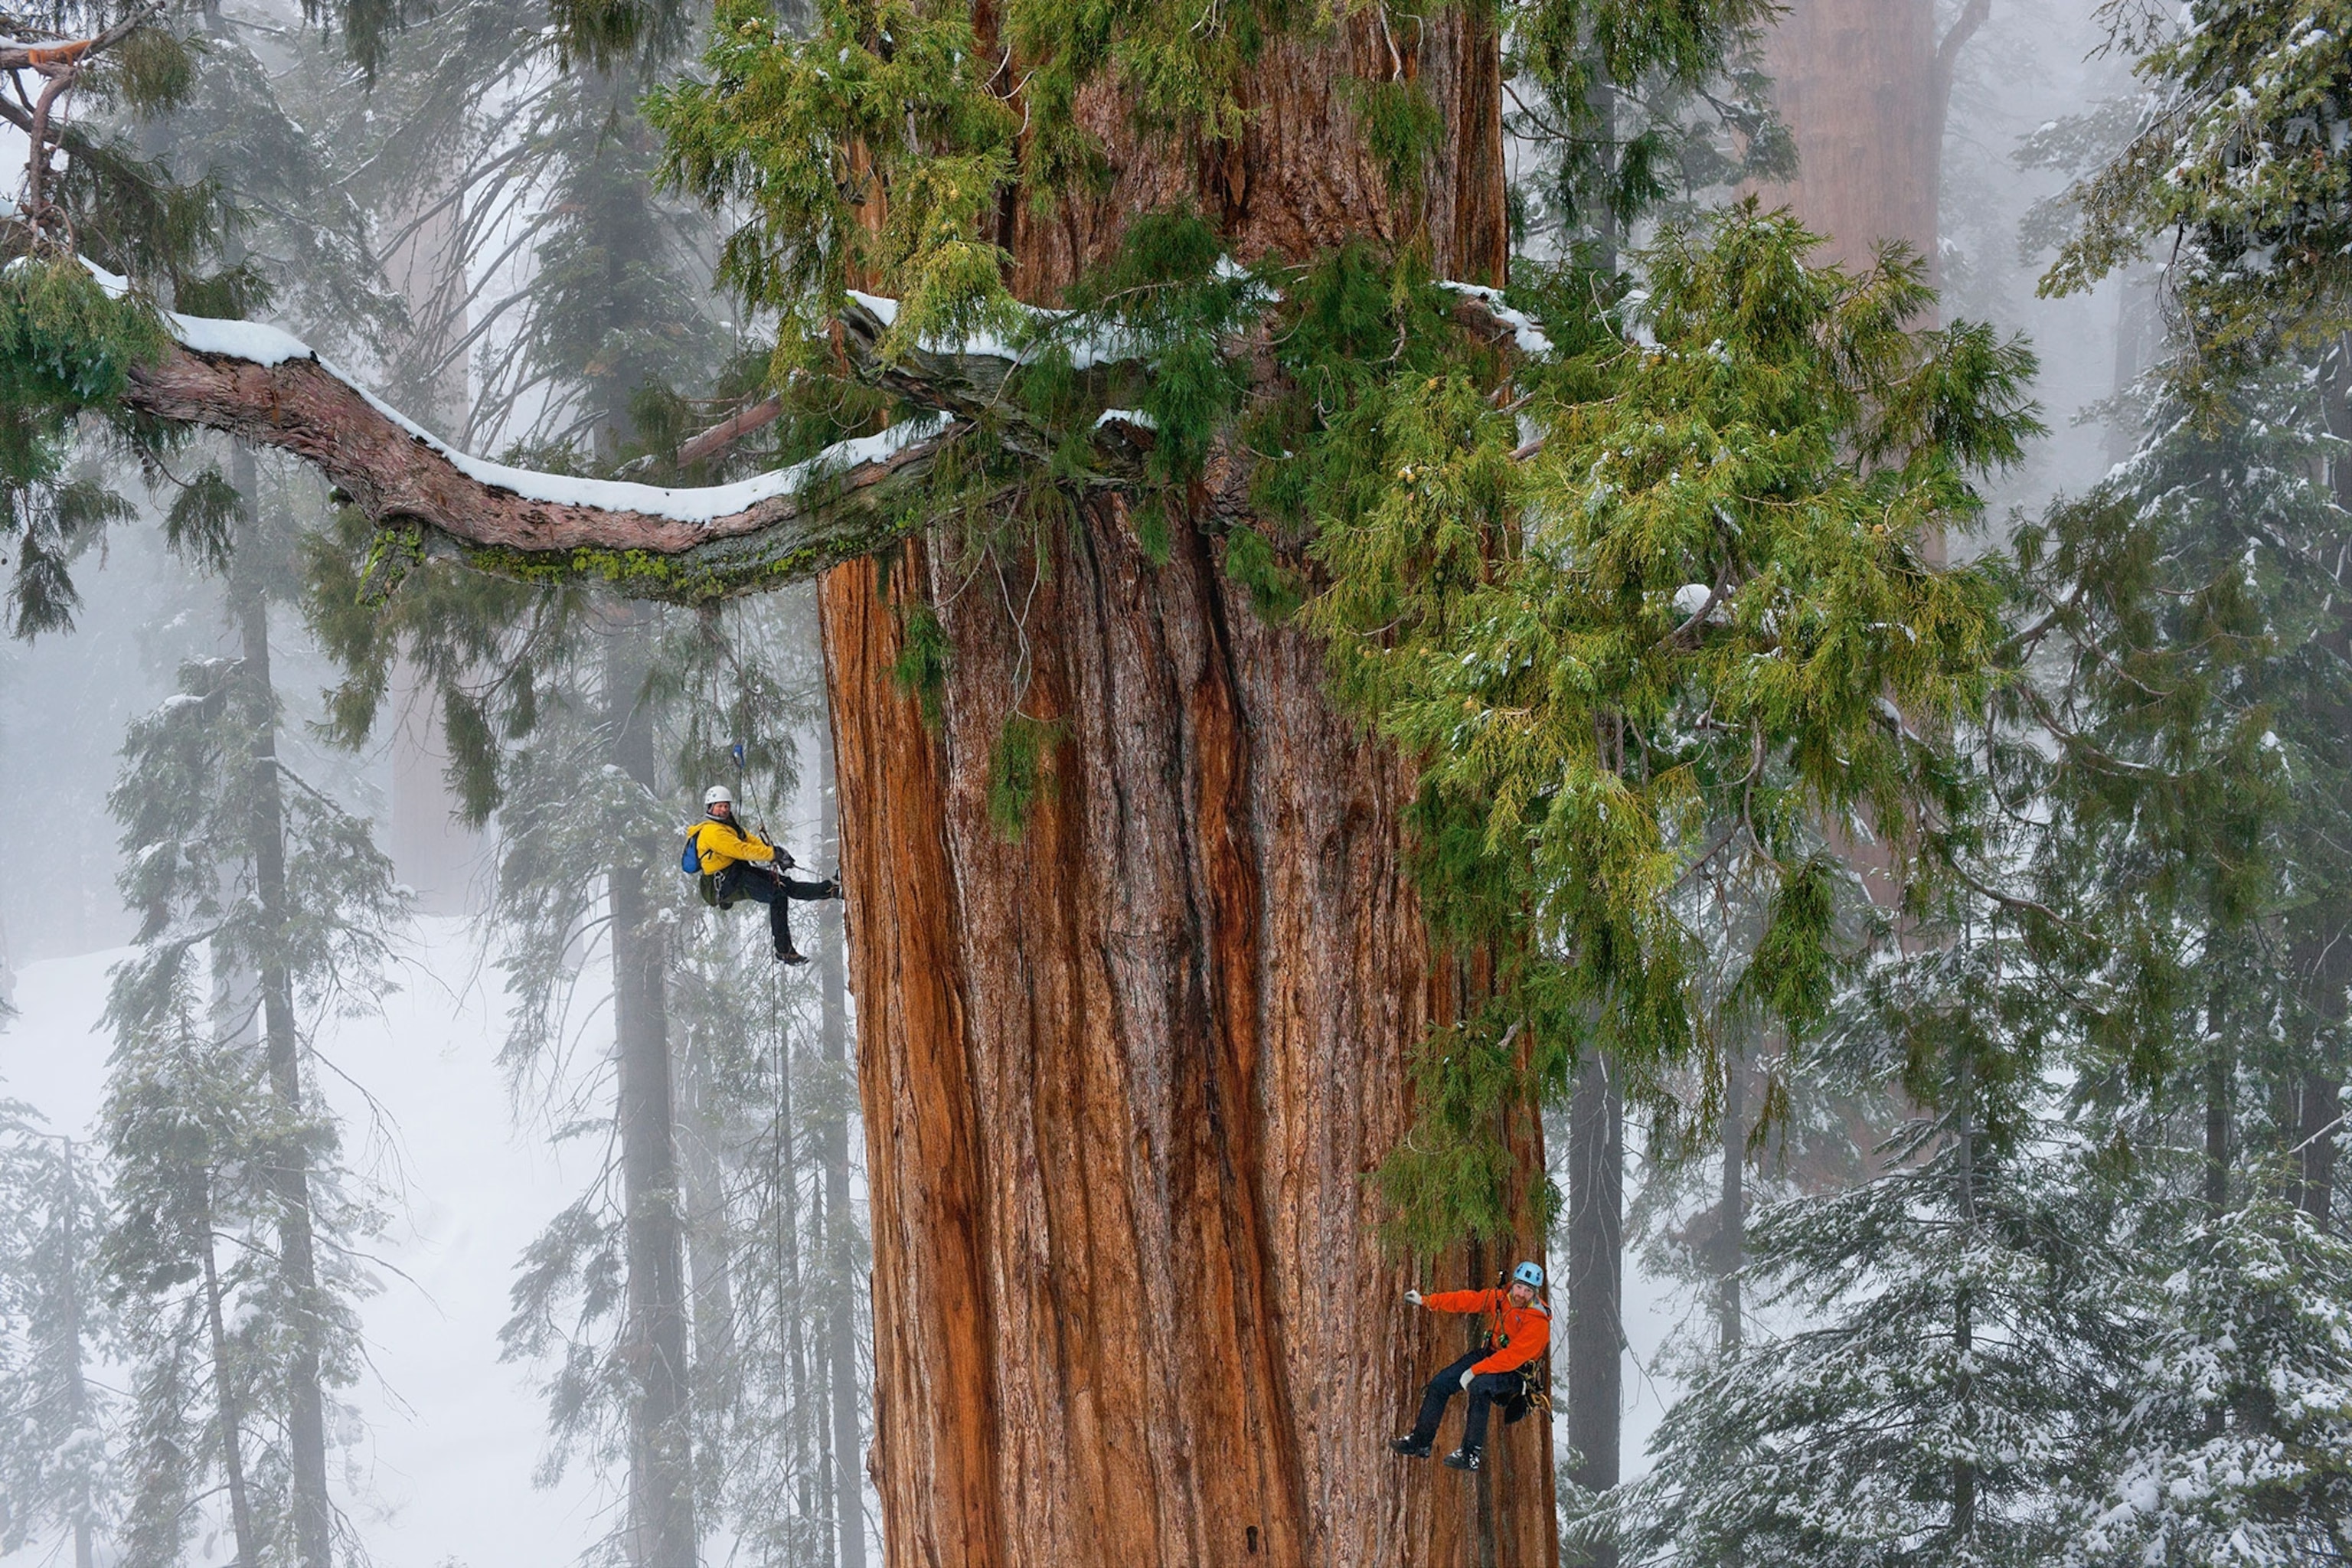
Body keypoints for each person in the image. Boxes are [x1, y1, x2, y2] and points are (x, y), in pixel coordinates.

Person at [1389, 1260, 1550, 1472]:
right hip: (1489, 1355)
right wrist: (1426, 1301)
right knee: (1440, 1383)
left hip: (1515, 1372)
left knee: (1479, 1386)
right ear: (1513, 1283)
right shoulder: (1501, 1298)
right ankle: (1420, 1442)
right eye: (1519, 1287)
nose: (1521, 1294)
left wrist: (1475, 1370)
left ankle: (1471, 1454)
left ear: (1535, 1293)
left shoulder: (1538, 1322)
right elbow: (1467, 1300)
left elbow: (1513, 1357)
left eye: (1528, 1291)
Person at [689, 786, 841, 965]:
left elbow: (750, 840)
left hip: (736, 872)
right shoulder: (711, 832)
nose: (724, 810)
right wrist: (772, 854)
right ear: (710, 807)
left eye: (726, 806)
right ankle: (784, 951)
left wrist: (774, 853)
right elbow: (741, 850)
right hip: (726, 882)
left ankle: (831, 890)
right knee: (777, 895)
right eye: (719, 806)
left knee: (784, 884)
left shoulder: (729, 826)